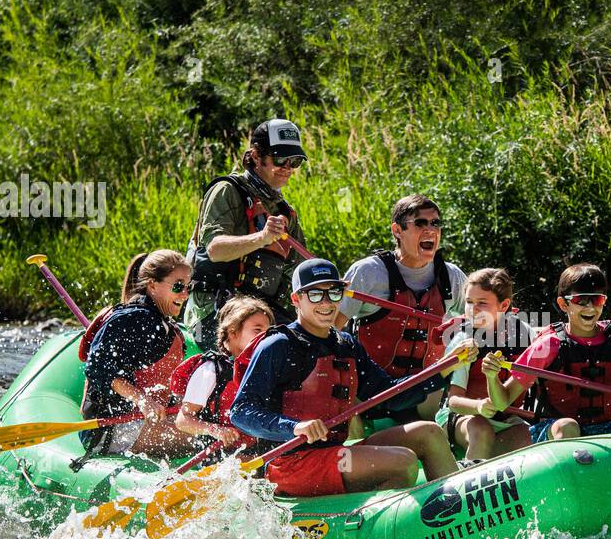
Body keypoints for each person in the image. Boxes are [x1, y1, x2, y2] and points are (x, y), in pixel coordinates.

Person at [230, 258, 476, 497]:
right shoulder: (278, 346)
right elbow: (241, 411)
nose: (326, 303)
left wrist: (442, 370)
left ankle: (457, 511)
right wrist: (293, 427)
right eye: (315, 294)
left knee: (429, 433)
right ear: (296, 299)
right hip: (292, 464)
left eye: (334, 293)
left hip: (335, 452)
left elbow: (388, 397)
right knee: (403, 462)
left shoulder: (346, 344)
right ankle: (374, 525)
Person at [484, 262, 611, 442]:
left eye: (597, 300)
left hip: (610, 426)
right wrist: (492, 377)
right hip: (555, 428)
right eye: (581, 301)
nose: (590, 308)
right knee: (568, 426)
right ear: (563, 304)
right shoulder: (547, 345)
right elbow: (503, 401)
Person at [334, 194, 466, 419]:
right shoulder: (368, 273)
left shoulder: (451, 276)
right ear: (397, 230)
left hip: (424, 394)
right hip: (369, 393)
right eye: (420, 223)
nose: (430, 230)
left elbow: (484, 323)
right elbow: (330, 331)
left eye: (435, 223)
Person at [183, 118, 309, 351]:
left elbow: (300, 270)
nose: (288, 167)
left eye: (295, 161)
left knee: (307, 350)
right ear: (255, 156)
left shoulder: (284, 211)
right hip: (214, 311)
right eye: (280, 159)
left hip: (261, 313)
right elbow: (215, 249)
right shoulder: (226, 191)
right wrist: (261, 238)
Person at [76, 250, 191, 463]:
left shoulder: (159, 320)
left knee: (208, 422)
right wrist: (142, 400)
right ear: (152, 285)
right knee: (205, 437)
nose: (184, 295)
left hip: (140, 422)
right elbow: (97, 369)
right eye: (178, 286)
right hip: (110, 431)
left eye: (187, 287)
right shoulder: (132, 320)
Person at [435, 268, 534, 463]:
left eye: (482, 303)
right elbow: (454, 401)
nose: (473, 310)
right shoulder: (463, 340)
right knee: (482, 429)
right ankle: (467, 484)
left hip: (504, 418)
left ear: (504, 305)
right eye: (469, 303)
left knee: (526, 434)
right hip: (461, 416)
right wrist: (479, 406)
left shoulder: (525, 334)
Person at [170, 295, 274, 452]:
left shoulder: (268, 369)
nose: (265, 338)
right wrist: (215, 430)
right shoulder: (212, 370)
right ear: (232, 333)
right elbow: (183, 421)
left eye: (268, 332)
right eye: (257, 330)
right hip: (220, 458)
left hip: (258, 453)